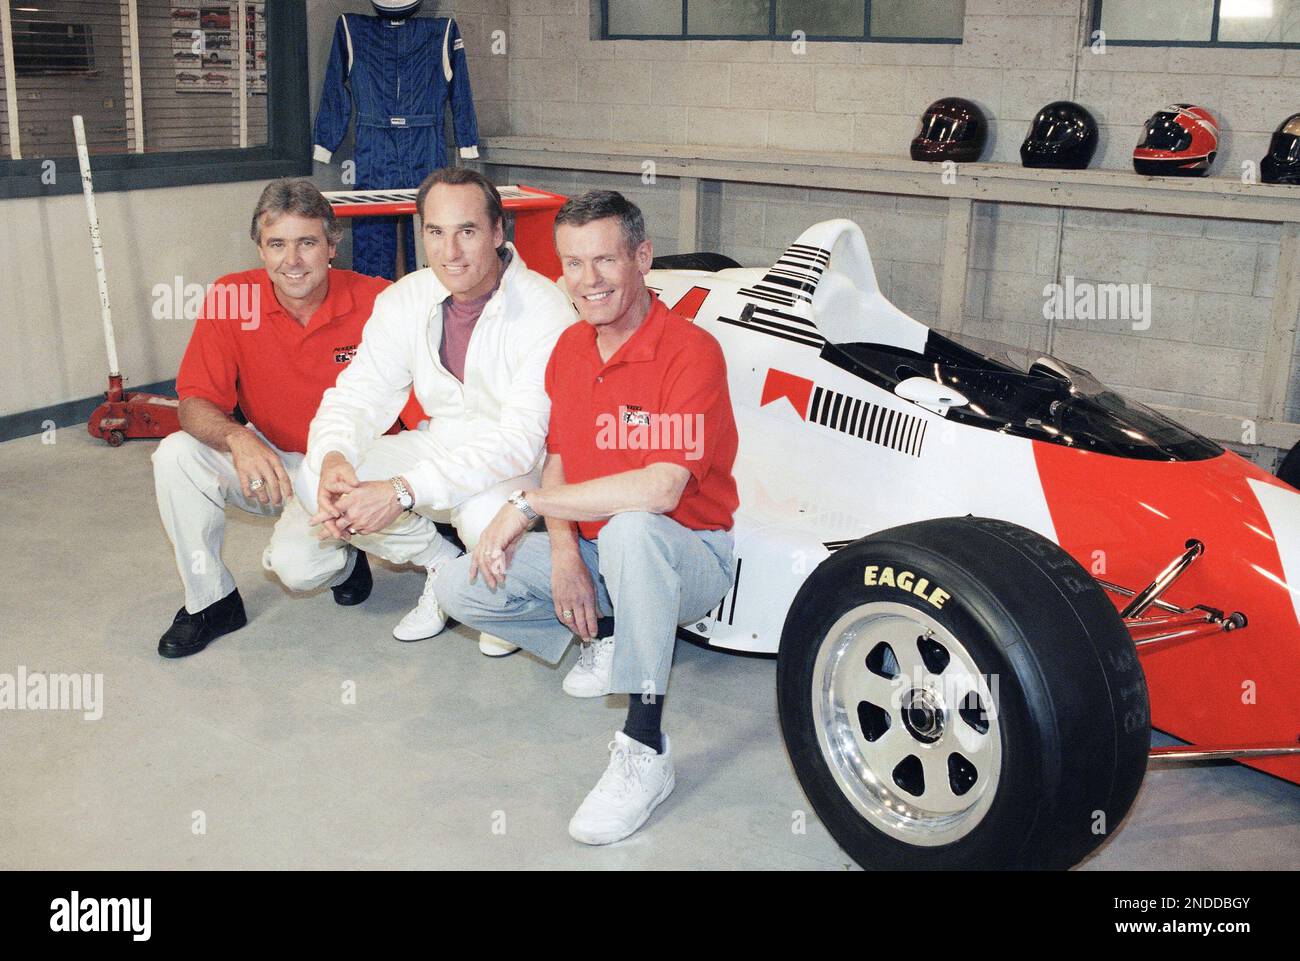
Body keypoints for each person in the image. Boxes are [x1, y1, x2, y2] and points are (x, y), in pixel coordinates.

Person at [436, 190, 739, 845]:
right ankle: (606, 628)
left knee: (632, 526)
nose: (588, 280)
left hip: (692, 552)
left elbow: (661, 489)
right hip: (604, 553)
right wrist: (567, 555)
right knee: (458, 584)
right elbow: (562, 460)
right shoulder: (570, 349)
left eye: (604, 260)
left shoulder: (691, 351)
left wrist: (533, 509)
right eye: (572, 264)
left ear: (642, 257)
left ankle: (645, 745)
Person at [296, 167, 575, 655]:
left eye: (467, 231)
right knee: (317, 476)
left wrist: (402, 491)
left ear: (497, 232)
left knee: (485, 513)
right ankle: (444, 568)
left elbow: (520, 441)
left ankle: (496, 594)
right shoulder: (407, 297)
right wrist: (336, 454)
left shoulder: (544, 309)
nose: (450, 252)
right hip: (443, 439)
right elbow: (358, 394)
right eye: (435, 232)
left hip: (520, 464)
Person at [153, 179, 389, 659]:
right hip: (274, 457)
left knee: (297, 570)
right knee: (175, 454)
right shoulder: (230, 297)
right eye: (277, 244)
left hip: (350, 467)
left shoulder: (378, 301)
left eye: (307, 242)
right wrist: (237, 436)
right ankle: (210, 602)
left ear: (332, 245)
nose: (293, 260)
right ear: (260, 249)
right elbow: (194, 401)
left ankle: (345, 562)